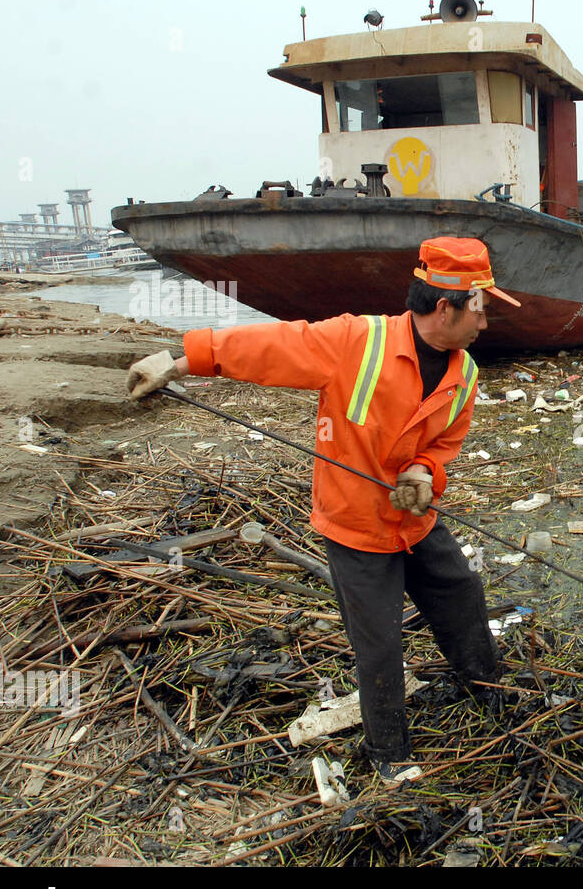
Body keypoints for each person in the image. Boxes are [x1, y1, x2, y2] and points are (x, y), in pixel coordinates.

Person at [124, 237, 521, 788]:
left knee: (462, 594)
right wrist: (179, 359)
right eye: (480, 308)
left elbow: (445, 441)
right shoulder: (357, 341)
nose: (486, 321)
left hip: (414, 521)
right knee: (380, 642)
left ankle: (490, 692)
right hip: (356, 526)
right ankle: (391, 755)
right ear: (445, 306)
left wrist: (426, 473)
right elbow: (271, 346)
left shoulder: (466, 373)